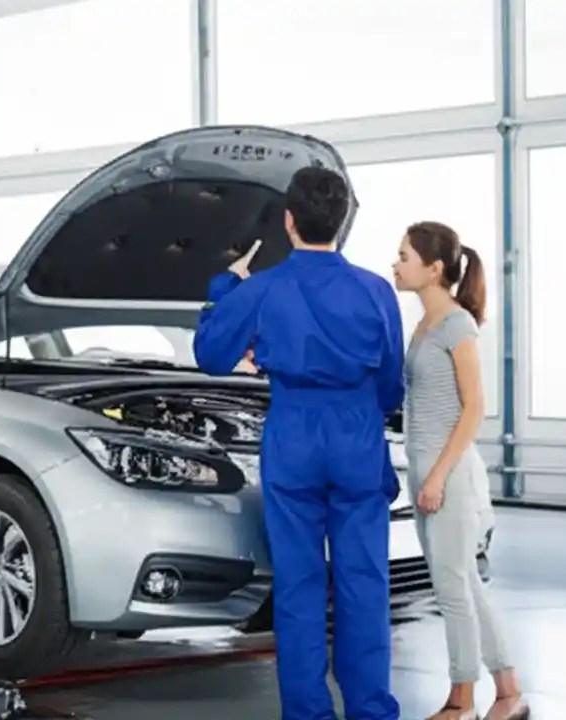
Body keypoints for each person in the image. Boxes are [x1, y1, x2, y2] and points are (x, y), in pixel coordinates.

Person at [194, 166, 404, 720]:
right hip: (357, 435)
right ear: (341, 222)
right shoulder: (377, 291)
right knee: (364, 582)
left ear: (289, 222)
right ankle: (372, 711)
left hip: (293, 436)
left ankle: (308, 713)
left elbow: (212, 356)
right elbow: (391, 383)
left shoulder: (262, 289)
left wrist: (226, 287)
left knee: (299, 585)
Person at [392, 222, 528, 720]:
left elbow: (474, 409)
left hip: (447, 477)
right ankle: (509, 690)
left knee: (450, 590)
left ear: (435, 268)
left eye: (404, 256)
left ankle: (461, 701)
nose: (396, 264)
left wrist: (435, 478)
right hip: (428, 472)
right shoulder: (425, 326)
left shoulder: (455, 324)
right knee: (464, 582)